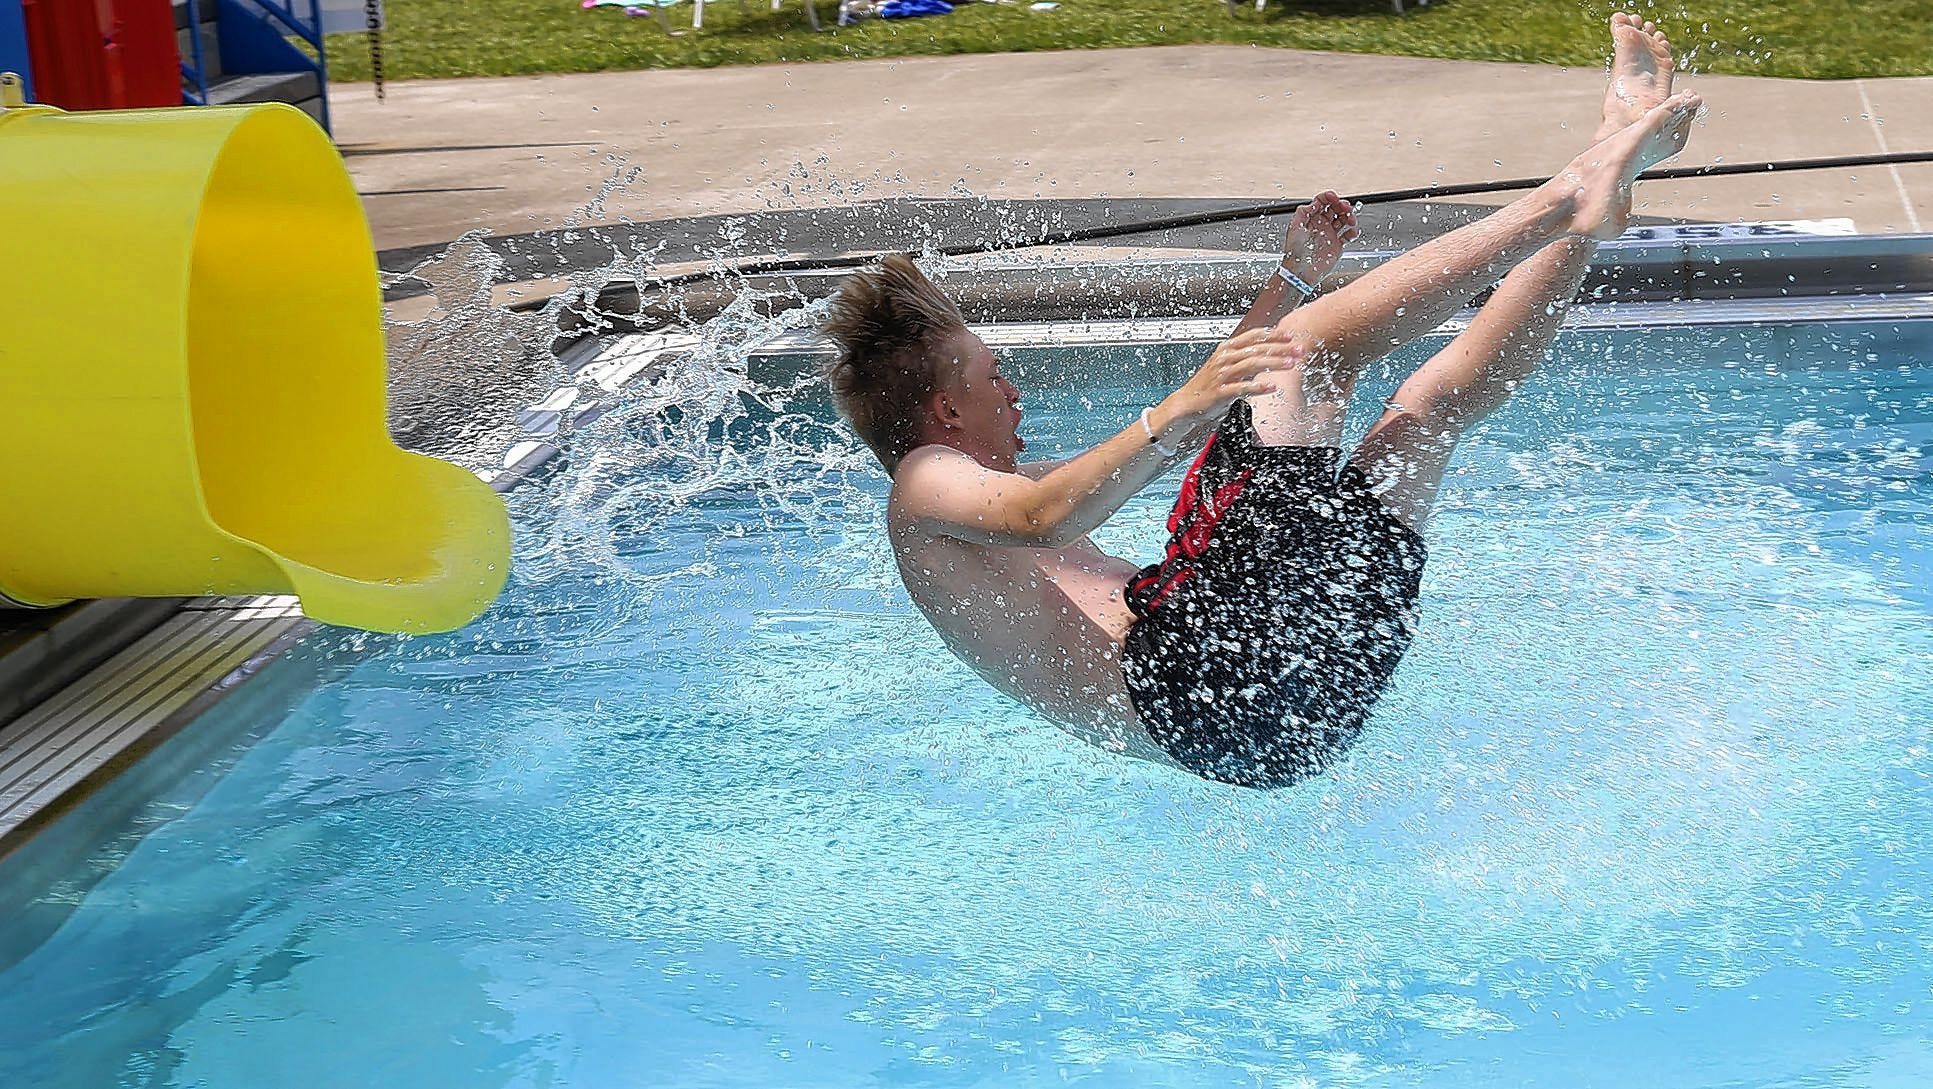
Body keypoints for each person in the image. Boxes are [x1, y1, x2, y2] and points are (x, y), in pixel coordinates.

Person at [820, 16, 1698, 787]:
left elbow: (1211, 407)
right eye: (990, 376)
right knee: (1311, 357)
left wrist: (1284, 282)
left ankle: (1597, 185)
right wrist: (1205, 390)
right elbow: (1054, 512)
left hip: (1292, 717)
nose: (1013, 389)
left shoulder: (980, 503)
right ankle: (1566, 196)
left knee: (1422, 415)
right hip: (1202, 678)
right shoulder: (925, 488)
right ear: (942, 413)